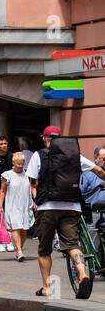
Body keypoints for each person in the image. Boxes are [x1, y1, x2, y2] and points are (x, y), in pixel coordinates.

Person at [27, 126, 105, 298]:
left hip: (47, 207)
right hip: (72, 206)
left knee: (44, 250)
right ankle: (83, 274)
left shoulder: (38, 155)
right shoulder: (74, 155)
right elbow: (99, 171)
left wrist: (36, 202)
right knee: (72, 244)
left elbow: (33, 183)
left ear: (45, 138)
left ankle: (48, 288)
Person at [0, 151, 34, 262]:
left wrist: (35, 202)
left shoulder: (28, 174)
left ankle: (19, 249)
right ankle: (19, 251)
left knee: (24, 230)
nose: (20, 165)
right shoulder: (7, 175)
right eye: (18, 163)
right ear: (13, 162)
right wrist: (0, 205)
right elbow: (2, 191)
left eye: (22, 163)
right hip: (12, 205)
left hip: (25, 204)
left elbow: (31, 189)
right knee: (16, 227)